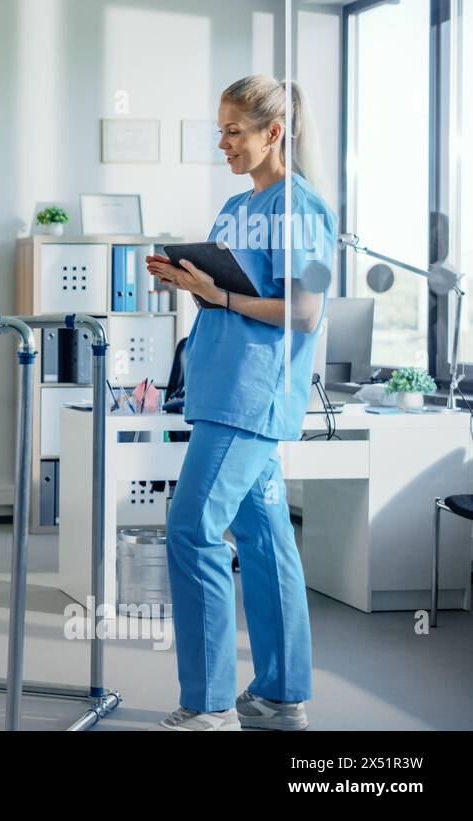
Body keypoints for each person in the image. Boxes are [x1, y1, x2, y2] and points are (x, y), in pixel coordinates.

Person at [145, 76, 335, 731]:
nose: (222, 142)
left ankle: (209, 705)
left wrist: (221, 297)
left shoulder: (302, 209)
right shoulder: (234, 208)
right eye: (219, 129)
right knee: (265, 535)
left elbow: (305, 313)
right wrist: (191, 282)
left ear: (273, 132)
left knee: (192, 529)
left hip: (252, 397)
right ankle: (282, 694)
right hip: (221, 387)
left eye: (234, 131)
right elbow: (233, 291)